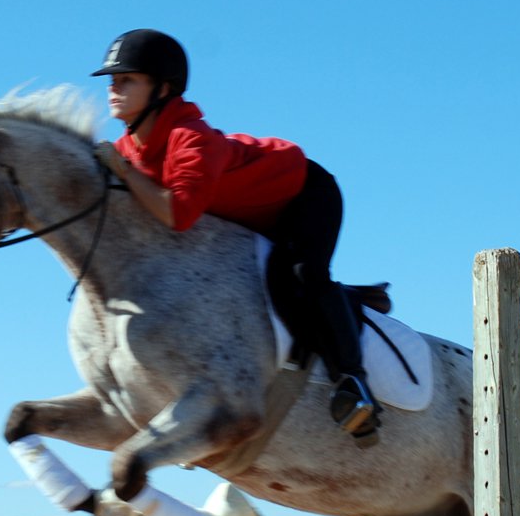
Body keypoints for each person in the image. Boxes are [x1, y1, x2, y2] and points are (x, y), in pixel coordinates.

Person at [91, 29, 380, 442]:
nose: (113, 88)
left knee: (296, 275)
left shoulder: (189, 137)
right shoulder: (128, 147)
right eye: (112, 81)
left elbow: (178, 213)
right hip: (250, 213)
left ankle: (354, 386)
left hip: (303, 194)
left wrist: (125, 173)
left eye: (126, 79)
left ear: (163, 88)